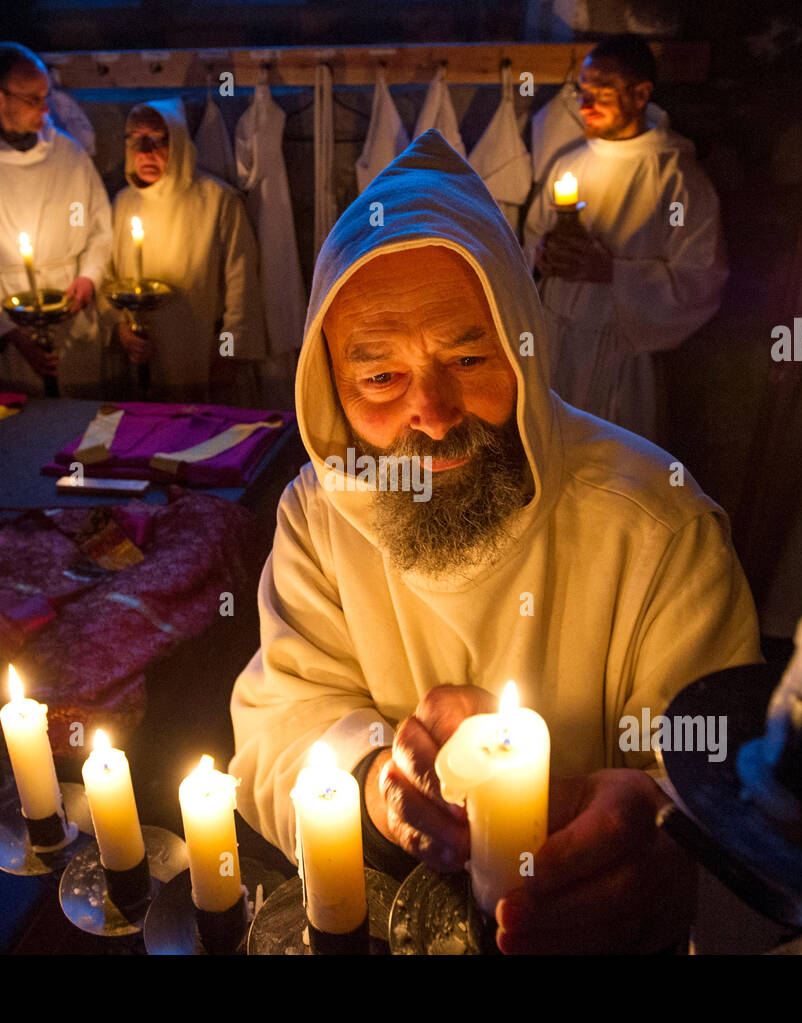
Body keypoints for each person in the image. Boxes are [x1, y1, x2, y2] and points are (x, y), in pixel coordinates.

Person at [229, 129, 761, 953]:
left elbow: (724, 788)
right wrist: (376, 784)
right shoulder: (320, 515)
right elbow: (281, 720)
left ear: (525, 343)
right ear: (328, 385)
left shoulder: (659, 525)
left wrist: (658, 832)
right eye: (380, 377)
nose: (434, 415)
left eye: (469, 356)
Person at [522, 34, 727, 443]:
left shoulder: (679, 180)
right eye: (583, 91)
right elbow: (529, 242)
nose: (585, 104)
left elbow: (699, 281)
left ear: (640, 95)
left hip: (620, 359)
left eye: (602, 92)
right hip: (554, 348)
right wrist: (540, 258)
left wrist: (611, 272)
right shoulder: (570, 161)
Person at [0, 42, 112, 397]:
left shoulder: (68, 154)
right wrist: (14, 338)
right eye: (33, 99)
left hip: (71, 315)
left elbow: (98, 225)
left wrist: (89, 276)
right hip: (10, 326)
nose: (46, 109)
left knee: (81, 431)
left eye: (46, 95)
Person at [105, 100, 266, 403]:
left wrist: (229, 352)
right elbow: (108, 274)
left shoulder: (218, 200)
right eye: (136, 139)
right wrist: (122, 328)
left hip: (199, 349)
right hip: (142, 349)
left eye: (158, 139)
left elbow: (241, 284)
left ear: (178, 141)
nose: (145, 151)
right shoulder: (123, 203)